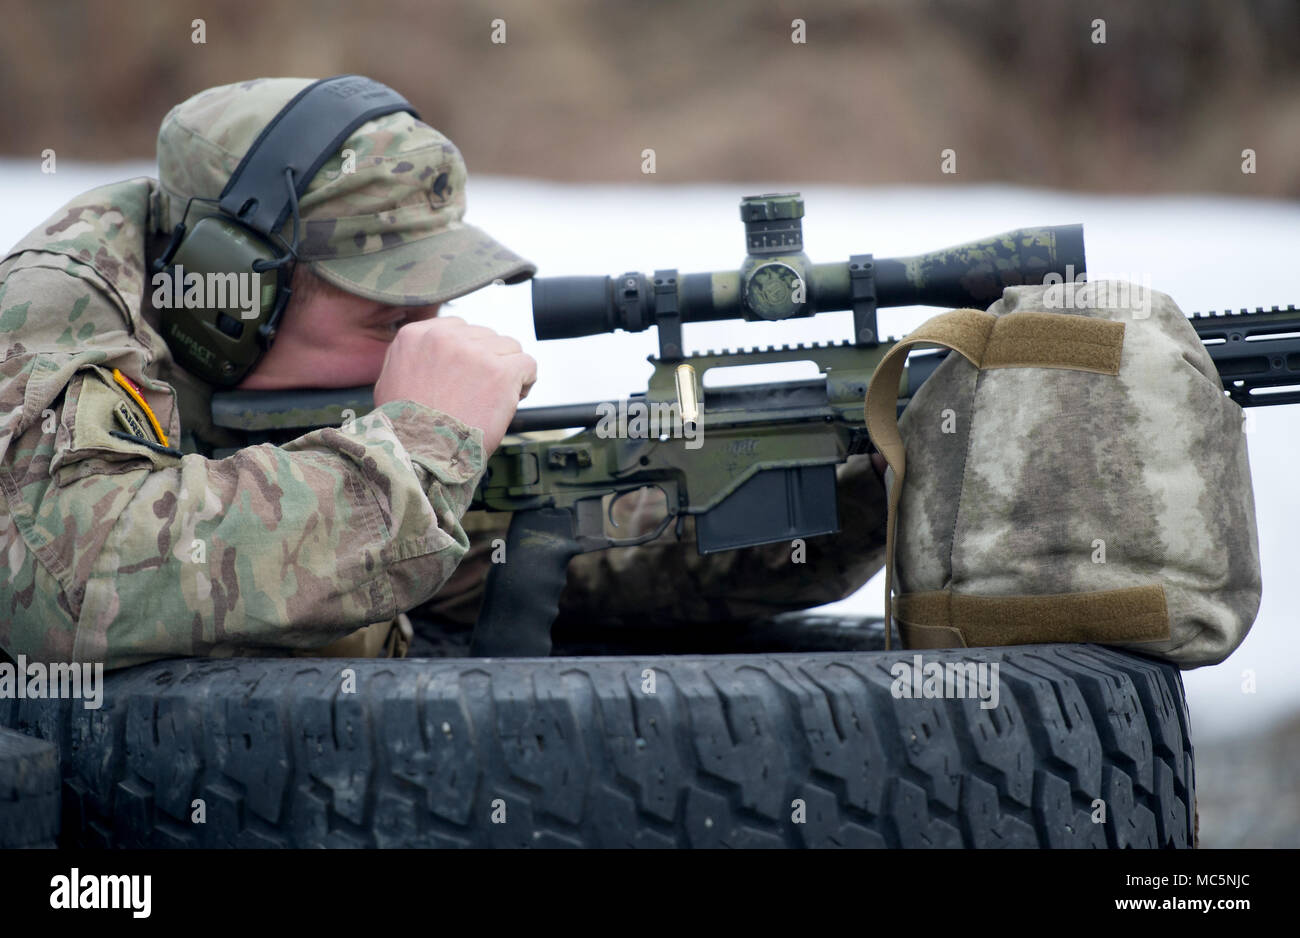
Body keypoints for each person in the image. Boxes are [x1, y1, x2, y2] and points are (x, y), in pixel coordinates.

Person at [0, 77, 888, 670]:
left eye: (434, 304)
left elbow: (574, 565)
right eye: (388, 316)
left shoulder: (311, 403)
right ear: (226, 300)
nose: (428, 345)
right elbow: (55, 586)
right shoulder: (54, 315)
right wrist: (420, 445)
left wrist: (860, 482)